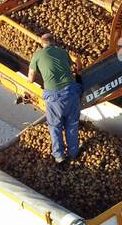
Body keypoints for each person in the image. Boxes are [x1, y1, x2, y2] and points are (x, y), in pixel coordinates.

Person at [27, 33, 82, 163]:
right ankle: (73, 154)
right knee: (72, 124)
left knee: (55, 126)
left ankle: (59, 156)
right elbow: (75, 67)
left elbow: (30, 79)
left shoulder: (37, 56)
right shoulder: (63, 52)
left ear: (42, 43)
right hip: (71, 93)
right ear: (54, 42)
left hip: (54, 97)